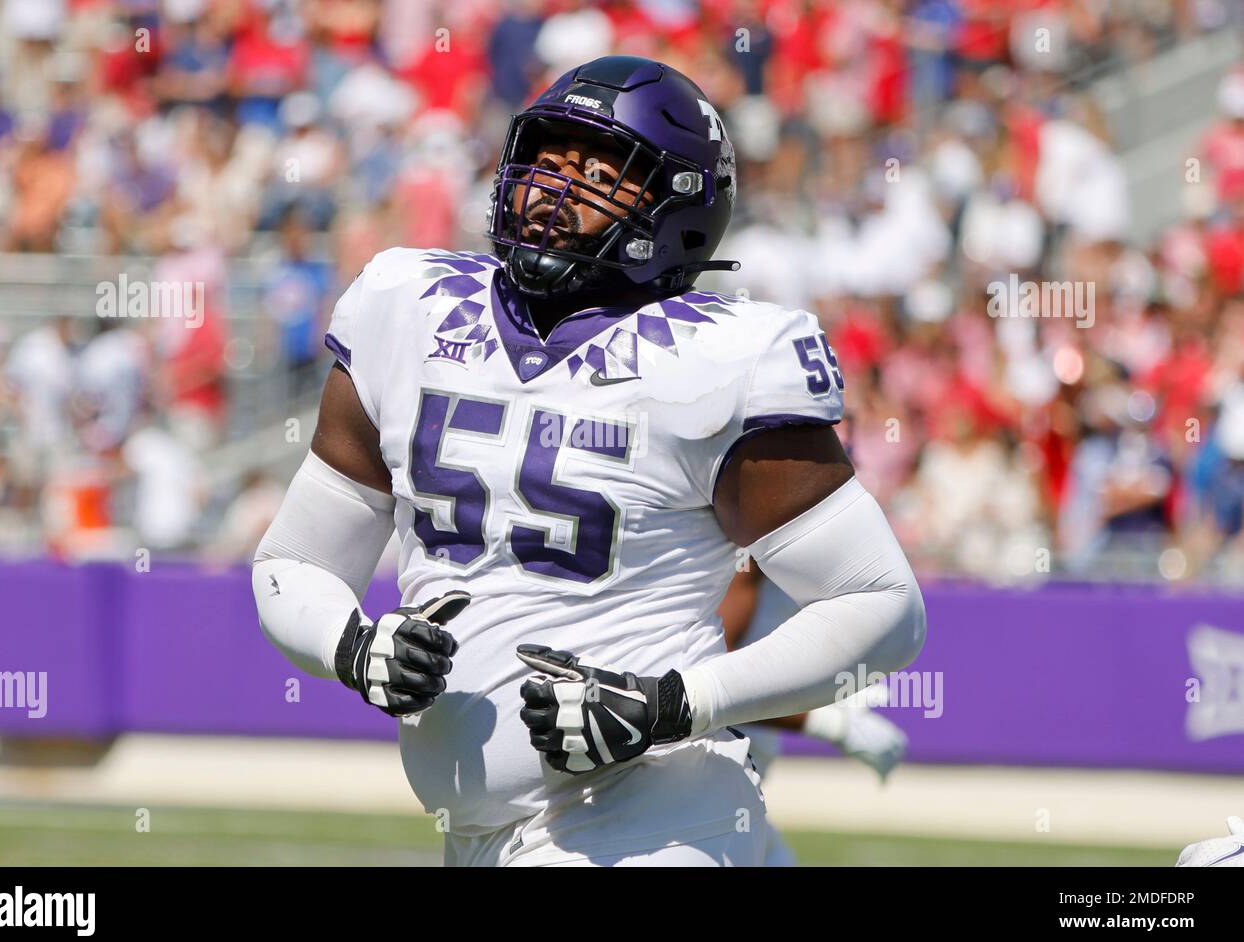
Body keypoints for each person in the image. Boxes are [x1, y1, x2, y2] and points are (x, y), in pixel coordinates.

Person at [252, 56, 926, 867]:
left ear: (678, 204)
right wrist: (353, 647)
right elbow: (294, 560)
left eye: (599, 169)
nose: (554, 188)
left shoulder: (723, 357)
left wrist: (675, 704)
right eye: (546, 159)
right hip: (483, 838)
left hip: (651, 823)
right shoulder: (406, 308)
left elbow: (882, 605)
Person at [719, 562, 909, 866]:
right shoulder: (749, 552)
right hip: (716, 771)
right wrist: (833, 724)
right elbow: (713, 678)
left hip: (737, 776)